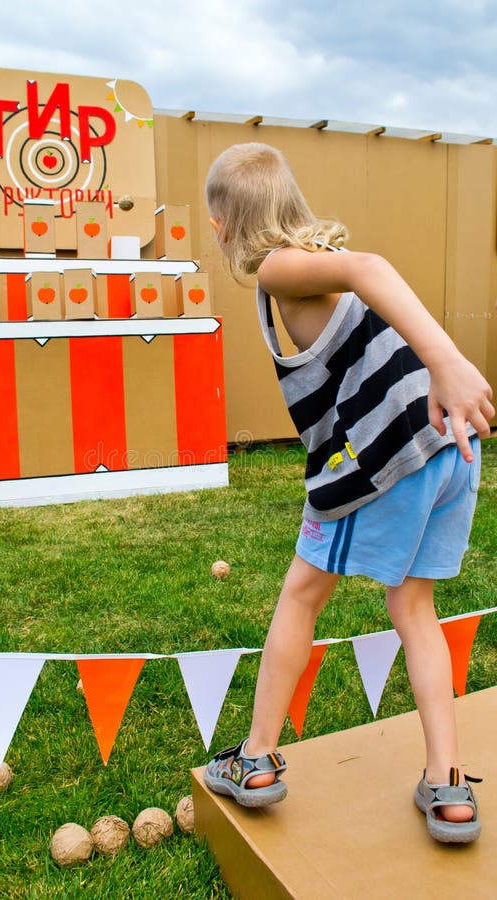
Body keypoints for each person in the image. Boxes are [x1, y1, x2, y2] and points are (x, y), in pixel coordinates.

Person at [203, 142, 494, 844]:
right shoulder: (307, 259)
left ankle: (256, 762)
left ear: (222, 224)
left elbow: (370, 269)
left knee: (303, 594)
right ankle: (448, 786)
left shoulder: (278, 268)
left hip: (383, 460)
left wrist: (450, 363)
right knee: (414, 607)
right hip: (449, 454)